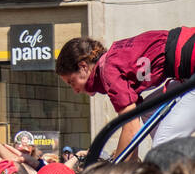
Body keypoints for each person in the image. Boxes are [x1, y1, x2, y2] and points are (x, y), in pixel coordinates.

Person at [56, 29, 195, 157]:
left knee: (162, 150)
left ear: (83, 67)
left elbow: (131, 127)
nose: (75, 90)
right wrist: (130, 162)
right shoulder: (111, 61)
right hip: (187, 69)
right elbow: (133, 129)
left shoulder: (108, 71)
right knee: (147, 111)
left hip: (190, 66)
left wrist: (117, 173)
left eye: (71, 82)